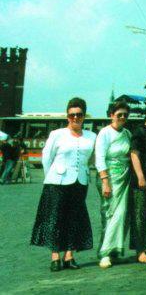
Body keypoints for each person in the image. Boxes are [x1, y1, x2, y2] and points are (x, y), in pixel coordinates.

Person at [31, 97, 97, 272]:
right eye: (72, 114)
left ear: (84, 116)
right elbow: (47, 157)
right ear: (67, 116)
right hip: (56, 182)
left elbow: (92, 158)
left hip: (80, 182)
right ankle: (55, 256)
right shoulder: (57, 134)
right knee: (55, 218)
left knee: (74, 218)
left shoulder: (92, 136)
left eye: (79, 114)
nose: (75, 117)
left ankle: (69, 255)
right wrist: (51, 176)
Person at [94, 99, 133, 268]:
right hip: (109, 177)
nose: (122, 117)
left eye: (125, 115)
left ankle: (115, 251)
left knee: (122, 214)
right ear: (111, 115)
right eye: (119, 114)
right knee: (109, 214)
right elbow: (99, 158)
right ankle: (104, 253)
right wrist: (105, 182)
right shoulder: (105, 133)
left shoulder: (127, 133)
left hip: (124, 178)